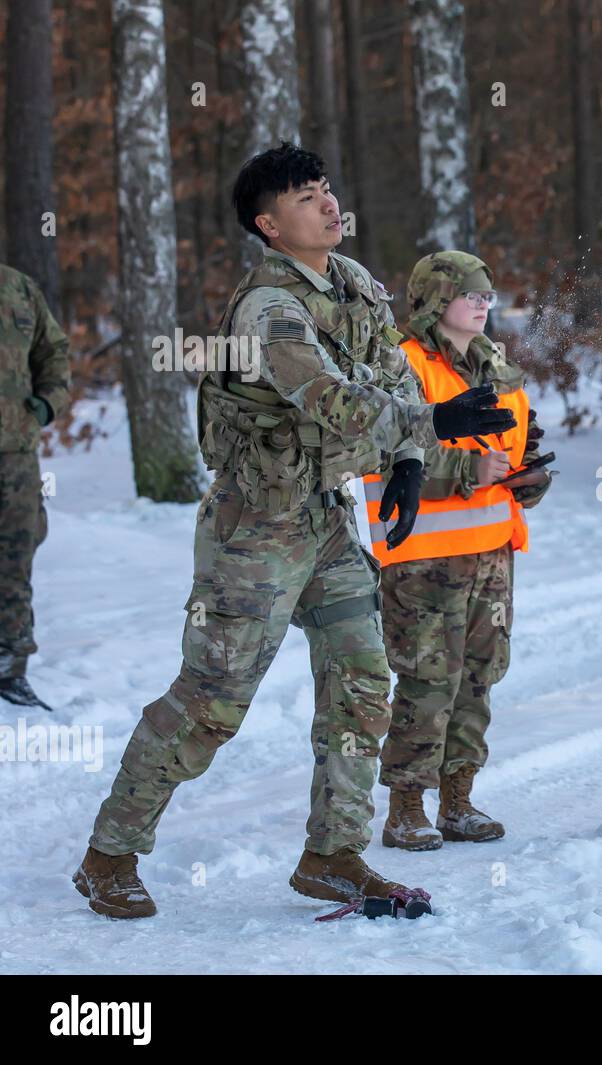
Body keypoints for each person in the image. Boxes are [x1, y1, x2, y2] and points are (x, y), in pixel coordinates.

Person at [75, 144, 514, 919]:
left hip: (324, 517)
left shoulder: (354, 284)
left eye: (328, 188)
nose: (328, 203)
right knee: (212, 700)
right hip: (255, 530)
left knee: (362, 678)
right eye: (307, 197)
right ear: (269, 224)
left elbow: (393, 377)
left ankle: (333, 853)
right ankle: (110, 852)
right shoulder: (268, 311)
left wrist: (410, 456)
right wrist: (433, 423)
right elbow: (331, 398)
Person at [365, 251, 551, 851]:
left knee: (478, 678)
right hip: (424, 557)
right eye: (468, 292)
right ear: (434, 298)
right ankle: (405, 809)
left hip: (493, 553)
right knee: (426, 679)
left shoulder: (497, 367)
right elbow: (383, 451)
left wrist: (530, 478)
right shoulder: (401, 365)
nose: (482, 302)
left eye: (487, 293)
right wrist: (467, 468)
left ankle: (458, 801)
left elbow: (521, 444)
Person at [0, 264, 69, 711]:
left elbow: (53, 351)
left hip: (15, 450)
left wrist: (48, 403)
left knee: (15, 554)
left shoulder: (18, 286)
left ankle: (9, 666)